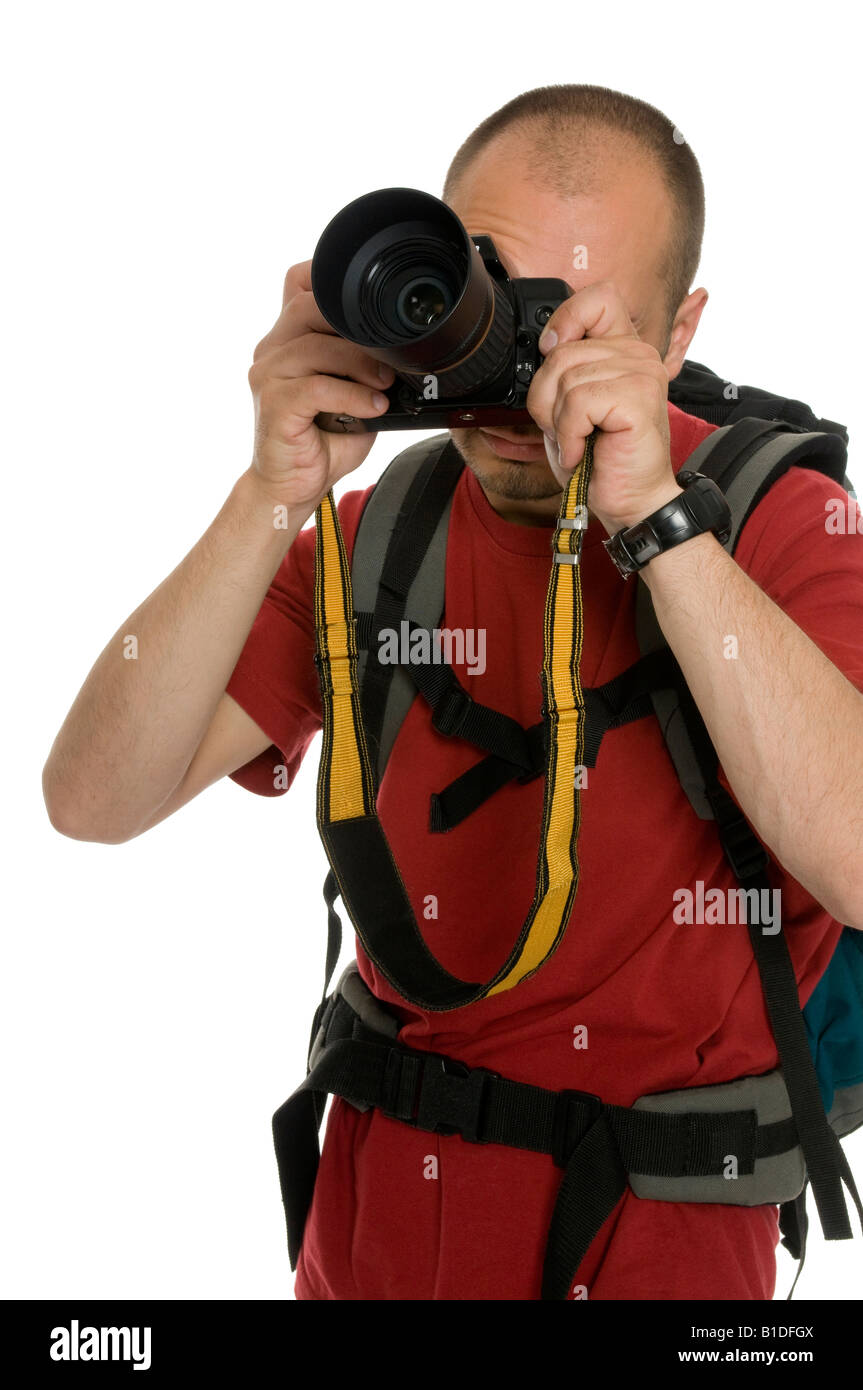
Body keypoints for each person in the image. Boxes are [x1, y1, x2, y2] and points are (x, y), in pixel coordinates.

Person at [42, 84, 863, 1300]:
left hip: (646, 1243)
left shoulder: (780, 524)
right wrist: (273, 486)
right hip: (368, 1223)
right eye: (492, 305)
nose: (518, 369)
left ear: (674, 334)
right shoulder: (383, 535)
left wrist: (656, 522)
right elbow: (90, 797)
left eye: (569, 323)